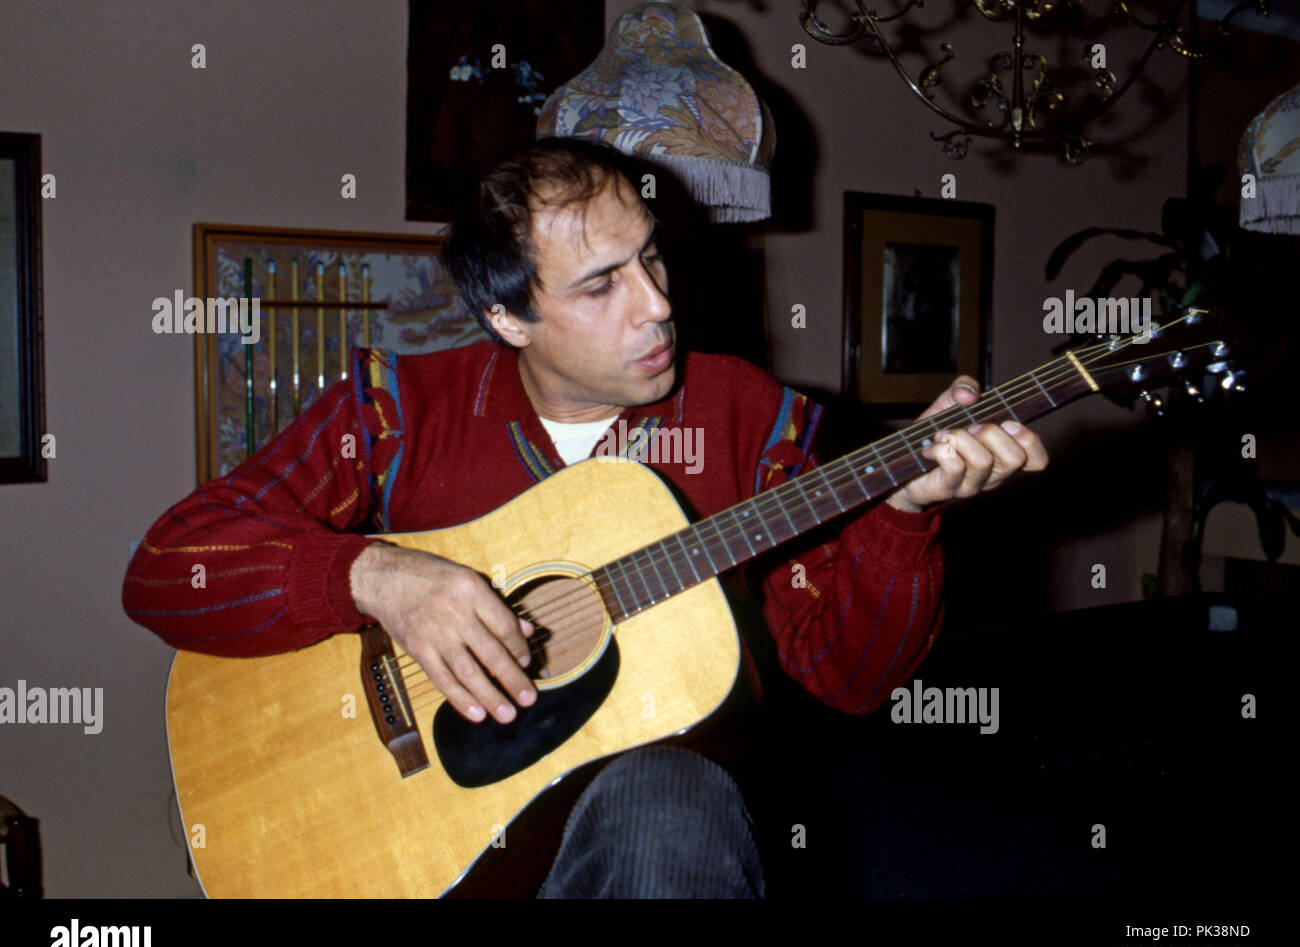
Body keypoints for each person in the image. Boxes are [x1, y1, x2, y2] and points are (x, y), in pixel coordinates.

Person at [123, 137, 1047, 898]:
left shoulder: (745, 417)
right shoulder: (391, 410)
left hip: (636, 850)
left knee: (672, 796)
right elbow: (167, 565)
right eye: (602, 286)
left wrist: (904, 511)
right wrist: (377, 577)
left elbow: (846, 677)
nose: (659, 304)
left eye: (650, 254)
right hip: (422, 854)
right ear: (507, 316)